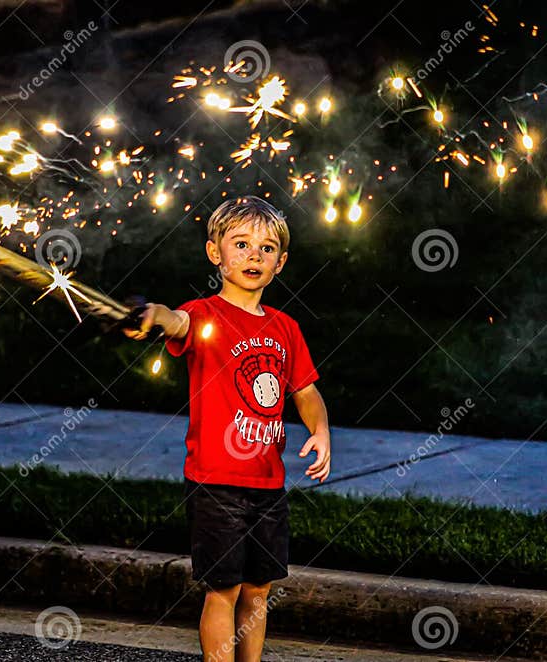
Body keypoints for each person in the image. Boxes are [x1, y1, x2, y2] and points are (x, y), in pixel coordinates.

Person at [125, 195, 331, 662]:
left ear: (280, 262)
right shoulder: (203, 315)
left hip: (268, 482)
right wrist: (151, 314)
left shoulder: (286, 328)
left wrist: (320, 431)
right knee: (224, 588)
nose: (253, 256)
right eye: (240, 244)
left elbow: (306, 392)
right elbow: (172, 322)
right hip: (215, 482)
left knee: (258, 590)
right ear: (214, 252)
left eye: (266, 248)